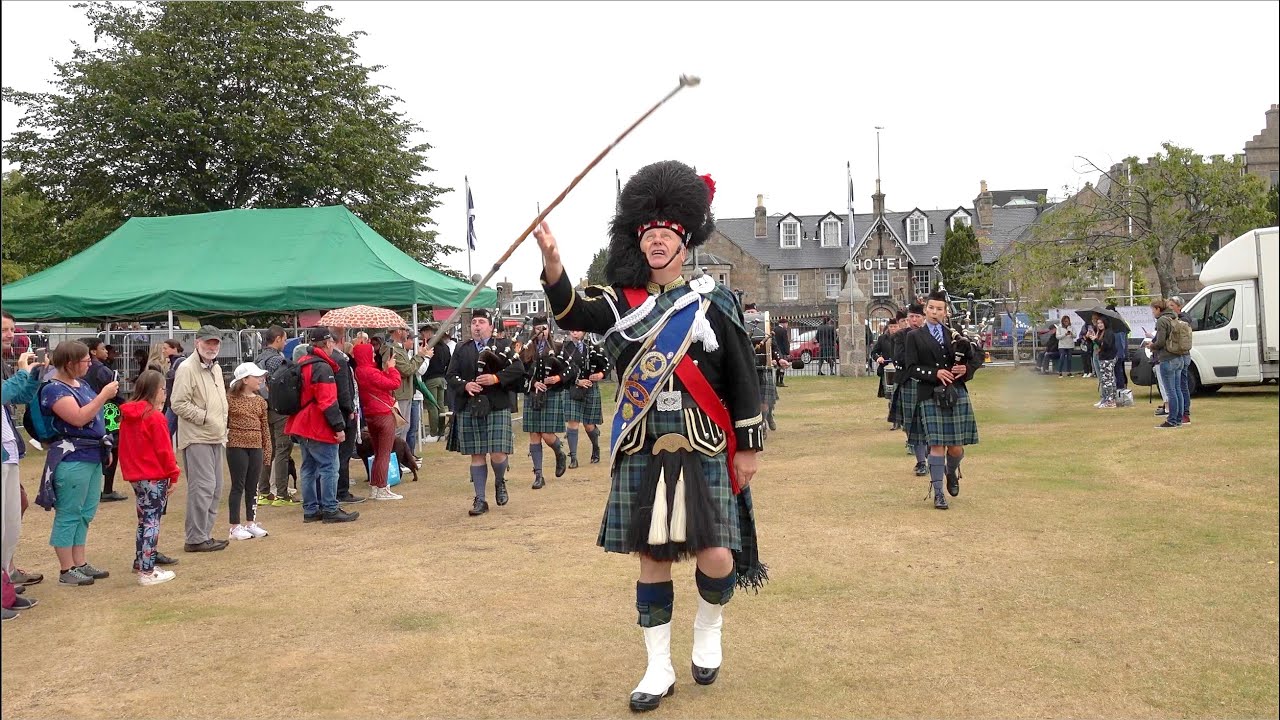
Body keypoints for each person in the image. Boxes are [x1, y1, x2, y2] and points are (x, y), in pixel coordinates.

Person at [535, 160, 766, 712]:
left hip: (705, 442)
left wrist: (750, 446)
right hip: (643, 446)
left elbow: (742, 375)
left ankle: (709, 626)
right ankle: (658, 666)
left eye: (666, 234)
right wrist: (553, 266)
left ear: (684, 242)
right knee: (652, 558)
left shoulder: (714, 300)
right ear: (639, 242)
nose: (657, 240)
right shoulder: (621, 300)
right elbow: (572, 312)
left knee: (717, 556)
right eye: (648, 234)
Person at [37, 340, 119, 585]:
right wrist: (104, 395)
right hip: (72, 457)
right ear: (70, 363)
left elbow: (94, 419)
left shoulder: (80, 384)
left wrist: (105, 443)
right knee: (69, 511)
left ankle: (80, 562)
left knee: (86, 511)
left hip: (92, 454)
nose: (90, 364)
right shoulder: (54, 389)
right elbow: (79, 418)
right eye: (85, 360)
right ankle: (66, 569)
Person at [903, 290, 982, 510]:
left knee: (955, 448)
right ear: (925, 309)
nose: (934, 312)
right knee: (936, 445)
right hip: (930, 393)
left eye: (939, 309)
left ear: (945, 312)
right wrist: (934, 373)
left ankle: (950, 471)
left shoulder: (955, 333)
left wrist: (965, 368)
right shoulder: (914, 336)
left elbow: (976, 358)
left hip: (955, 392)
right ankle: (938, 493)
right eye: (931, 308)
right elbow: (910, 368)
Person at [445, 309, 526, 516]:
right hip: (471, 407)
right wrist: (466, 386)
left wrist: (496, 378)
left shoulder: (503, 346)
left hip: (496, 405)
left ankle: (499, 481)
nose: (477, 326)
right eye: (474, 322)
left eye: (481, 322)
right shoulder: (462, 349)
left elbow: (518, 369)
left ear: (490, 326)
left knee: (498, 453)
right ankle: (480, 500)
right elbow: (451, 375)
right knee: (477, 455)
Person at [285, 329, 359, 523]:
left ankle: (311, 509)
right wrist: (339, 427)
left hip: (301, 423)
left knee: (308, 468)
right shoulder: (322, 367)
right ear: (327, 343)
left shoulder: (302, 362)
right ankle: (330, 508)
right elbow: (327, 401)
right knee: (329, 467)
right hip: (317, 424)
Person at [170, 326, 231, 553]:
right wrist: (205, 418)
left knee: (215, 488)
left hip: (216, 435)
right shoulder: (186, 368)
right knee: (203, 487)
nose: (212, 347)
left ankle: (204, 534)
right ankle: (195, 537)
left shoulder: (214, 368)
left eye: (215, 343)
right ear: (197, 342)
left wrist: (220, 423)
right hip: (197, 437)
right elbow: (178, 403)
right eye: (208, 343)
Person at [118, 369, 180, 586]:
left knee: (144, 519)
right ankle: (147, 570)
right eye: (164, 389)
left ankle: (142, 560)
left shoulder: (128, 416)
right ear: (156, 391)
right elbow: (165, 450)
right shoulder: (154, 417)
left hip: (137, 476)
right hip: (154, 475)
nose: (165, 393)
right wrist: (174, 474)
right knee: (152, 520)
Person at [2, 311, 45, 606]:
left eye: (11, 329)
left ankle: (4, 586)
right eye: (4, 329)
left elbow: (21, 396)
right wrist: (20, 372)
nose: (9, 334)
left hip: (8, 449)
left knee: (10, 524)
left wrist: (34, 376)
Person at [520, 316, 573, 488]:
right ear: (533, 330)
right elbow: (519, 371)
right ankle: (538, 475)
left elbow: (572, 369)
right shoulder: (526, 349)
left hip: (551, 394)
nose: (541, 331)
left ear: (549, 329)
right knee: (534, 434)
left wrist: (557, 378)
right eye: (537, 328)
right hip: (532, 394)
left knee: (547, 434)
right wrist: (533, 382)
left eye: (544, 328)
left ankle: (559, 452)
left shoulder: (557, 347)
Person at [253, 326, 299, 506]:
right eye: (285, 339)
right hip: (278, 409)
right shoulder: (276, 360)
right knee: (283, 448)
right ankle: (282, 493)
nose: (286, 343)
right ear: (278, 339)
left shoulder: (258, 358)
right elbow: (285, 384)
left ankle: (263, 492)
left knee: (268, 449)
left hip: (263, 408)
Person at [225, 363, 272, 540]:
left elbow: (265, 428)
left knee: (253, 485)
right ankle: (234, 526)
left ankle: (250, 522)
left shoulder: (260, 401)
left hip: (256, 446)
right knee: (238, 485)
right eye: (256, 377)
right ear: (244, 380)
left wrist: (267, 451)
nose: (260, 380)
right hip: (236, 446)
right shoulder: (229, 399)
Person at [353, 341, 405, 500]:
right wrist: (392, 369)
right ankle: (382, 487)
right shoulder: (370, 371)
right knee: (384, 453)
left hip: (370, 414)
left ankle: (375, 485)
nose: (374, 354)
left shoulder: (359, 371)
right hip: (382, 414)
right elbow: (394, 383)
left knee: (378, 452)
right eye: (371, 352)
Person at [83, 338, 127, 503]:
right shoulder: (102, 370)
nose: (106, 351)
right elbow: (116, 392)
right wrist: (124, 404)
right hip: (108, 411)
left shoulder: (82, 369)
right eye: (103, 348)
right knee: (112, 446)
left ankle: (89, 489)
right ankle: (107, 489)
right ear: (93, 351)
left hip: (86, 410)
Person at [326, 330, 365, 505]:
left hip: (333, 411)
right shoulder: (340, 360)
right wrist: (350, 409)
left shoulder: (329, 359)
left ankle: (335, 491)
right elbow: (344, 390)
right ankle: (341, 491)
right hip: (343, 412)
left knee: (334, 456)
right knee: (343, 454)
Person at [892, 303, 929, 477]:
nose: (914, 320)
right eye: (911, 317)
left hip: (928, 382)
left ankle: (929, 456)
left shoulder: (931, 334)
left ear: (924, 318)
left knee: (926, 422)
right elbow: (899, 358)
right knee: (910, 424)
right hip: (908, 382)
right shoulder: (901, 335)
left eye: (917, 317)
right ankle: (921, 461)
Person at [563, 329, 609, 467]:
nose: (574, 333)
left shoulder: (593, 346)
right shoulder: (565, 348)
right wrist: (577, 381)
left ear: (584, 332)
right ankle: (573, 458)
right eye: (572, 331)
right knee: (573, 422)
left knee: (589, 425)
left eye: (577, 331)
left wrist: (601, 374)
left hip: (590, 388)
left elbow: (608, 363)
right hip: (572, 388)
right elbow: (561, 370)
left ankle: (595, 448)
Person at [1149, 299, 1189, 429]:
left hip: (1168, 357)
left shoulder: (1162, 320)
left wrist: (1152, 345)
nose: (1152, 313)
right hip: (1179, 357)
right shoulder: (1174, 317)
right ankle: (1178, 418)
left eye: (1153, 310)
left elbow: (1160, 341)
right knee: (1177, 390)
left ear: (1158, 309)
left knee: (1170, 391)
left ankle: (1172, 420)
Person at [389, 325, 430, 446]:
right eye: (406, 332)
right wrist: (421, 356)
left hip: (406, 392)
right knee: (399, 429)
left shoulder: (400, 350)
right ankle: (395, 459)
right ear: (398, 331)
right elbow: (407, 370)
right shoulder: (393, 349)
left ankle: (402, 458)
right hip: (399, 394)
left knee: (405, 429)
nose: (409, 336)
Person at [420, 325, 451, 444]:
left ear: (428, 333)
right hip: (442, 377)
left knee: (432, 405)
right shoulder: (444, 346)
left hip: (431, 378)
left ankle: (433, 433)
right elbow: (449, 361)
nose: (422, 337)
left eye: (423, 334)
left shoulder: (428, 345)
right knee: (441, 405)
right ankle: (442, 432)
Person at [1167, 296, 1193, 424]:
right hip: (1184, 354)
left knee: (1181, 386)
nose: (1169, 308)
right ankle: (1180, 412)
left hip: (1182, 354)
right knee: (1180, 385)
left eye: (1172, 306)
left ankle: (1184, 413)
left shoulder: (1181, 320)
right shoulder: (1184, 319)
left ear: (1179, 307)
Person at [162, 339, 185, 440]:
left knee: (164, 433)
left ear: (174, 349)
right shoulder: (174, 362)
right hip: (172, 402)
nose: (163, 351)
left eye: (165, 348)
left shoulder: (180, 362)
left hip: (175, 403)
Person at [1093, 317, 1118, 409]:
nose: (1099, 325)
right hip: (1103, 358)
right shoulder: (1101, 333)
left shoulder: (1109, 333)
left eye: (1101, 323)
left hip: (1108, 358)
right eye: (1098, 323)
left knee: (1108, 380)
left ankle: (1110, 401)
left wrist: (1096, 339)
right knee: (1107, 380)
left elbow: (1106, 345)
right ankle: (1108, 399)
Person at [772, 317, 790, 387]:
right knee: (783, 367)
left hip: (775, 351)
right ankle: (781, 381)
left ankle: (776, 381)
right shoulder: (783, 331)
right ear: (784, 323)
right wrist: (787, 352)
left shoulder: (774, 329)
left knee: (778, 367)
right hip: (782, 351)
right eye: (786, 323)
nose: (787, 325)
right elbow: (785, 342)